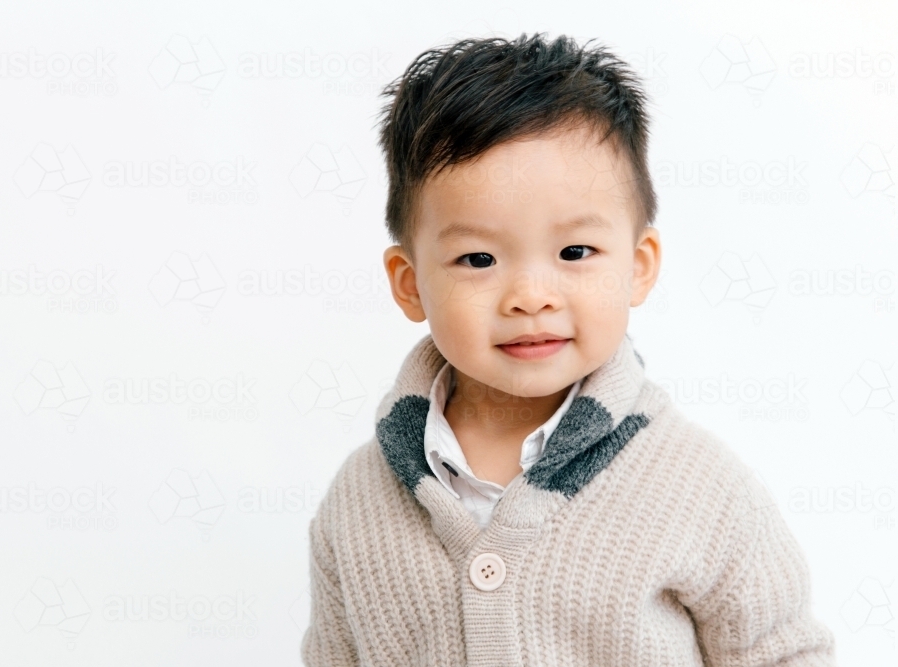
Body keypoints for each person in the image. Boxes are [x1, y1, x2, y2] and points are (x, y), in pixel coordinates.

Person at [301, 32, 836, 666]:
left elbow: (783, 653)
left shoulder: (697, 484)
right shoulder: (358, 500)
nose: (530, 296)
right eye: (479, 258)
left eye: (574, 253)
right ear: (410, 283)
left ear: (638, 267)